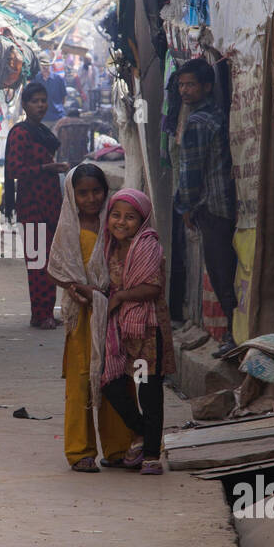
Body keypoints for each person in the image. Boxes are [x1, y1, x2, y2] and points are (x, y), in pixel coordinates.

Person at [47, 165, 135, 472]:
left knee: (115, 376)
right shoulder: (67, 226)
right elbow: (58, 268)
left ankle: (119, 448)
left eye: (96, 191)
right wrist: (77, 289)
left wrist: (104, 295)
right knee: (82, 379)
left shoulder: (114, 223)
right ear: (72, 195)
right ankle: (79, 451)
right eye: (82, 193)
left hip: (112, 313)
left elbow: (127, 263)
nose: (91, 198)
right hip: (81, 317)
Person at [95, 188, 176, 475]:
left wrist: (119, 298)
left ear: (141, 221)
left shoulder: (147, 245)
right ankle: (141, 433)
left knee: (149, 392)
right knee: (111, 382)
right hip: (118, 331)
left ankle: (152, 454)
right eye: (116, 215)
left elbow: (153, 288)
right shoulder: (108, 246)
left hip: (146, 331)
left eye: (130, 217)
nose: (121, 222)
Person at [172, 58, 239, 358]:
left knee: (221, 272)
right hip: (226, 205)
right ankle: (233, 333)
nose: (185, 90)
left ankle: (233, 336)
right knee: (228, 270)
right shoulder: (215, 115)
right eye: (182, 84)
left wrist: (185, 206)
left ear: (207, 87)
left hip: (211, 207)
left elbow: (190, 173)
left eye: (191, 85)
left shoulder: (198, 122)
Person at [4, 82, 67, 328]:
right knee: (38, 263)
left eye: (43, 100)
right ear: (25, 105)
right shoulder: (21, 132)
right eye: (35, 101)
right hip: (32, 207)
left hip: (50, 205)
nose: (40, 105)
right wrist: (47, 168)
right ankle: (41, 315)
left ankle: (45, 313)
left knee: (49, 262)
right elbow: (14, 170)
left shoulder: (40, 130)